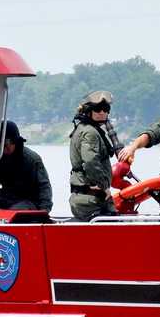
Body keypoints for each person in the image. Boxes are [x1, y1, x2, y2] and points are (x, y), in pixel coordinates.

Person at [69, 91, 117, 221]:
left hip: (88, 197)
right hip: (92, 199)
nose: (102, 112)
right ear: (89, 111)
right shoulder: (90, 133)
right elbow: (91, 162)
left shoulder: (83, 129)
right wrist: (104, 187)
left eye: (106, 109)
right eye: (97, 109)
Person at [0, 120, 53, 212]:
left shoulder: (32, 159)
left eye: (6, 144)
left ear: (15, 141)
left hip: (29, 201)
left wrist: (44, 210)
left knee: (15, 211)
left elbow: (44, 186)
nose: (3, 148)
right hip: (8, 198)